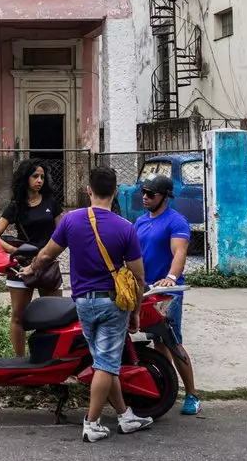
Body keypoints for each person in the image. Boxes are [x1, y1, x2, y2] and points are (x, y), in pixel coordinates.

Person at [21, 167, 151, 443]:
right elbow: (139, 276)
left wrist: (29, 269)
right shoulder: (125, 228)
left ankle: (125, 416)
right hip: (112, 304)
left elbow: (46, 255)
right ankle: (91, 423)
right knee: (106, 363)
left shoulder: (71, 221)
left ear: (88, 190)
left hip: (82, 303)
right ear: (115, 193)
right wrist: (136, 311)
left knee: (106, 360)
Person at [134, 173, 201, 415]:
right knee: (157, 342)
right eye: (144, 192)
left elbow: (179, 252)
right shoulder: (141, 222)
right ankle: (166, 387)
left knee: (172, 342)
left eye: (151, 194)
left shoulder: (176, 221)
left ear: (164, 197)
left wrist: (171, 277)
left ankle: (192, 394)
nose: (145, 197)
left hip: (167, 292)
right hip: (146, 290)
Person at [0, 159, 63, 358]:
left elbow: (63, 232)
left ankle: (52, 361)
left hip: (48, 265)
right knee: (18, 317)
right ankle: (20, 361)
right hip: (20, 268)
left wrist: (51, 252)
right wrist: (15, 251)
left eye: (42, 176)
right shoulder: (15, 206)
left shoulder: (51, 203)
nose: (40, 180)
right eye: (35, 176)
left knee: (56, 316)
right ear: (25, 178)